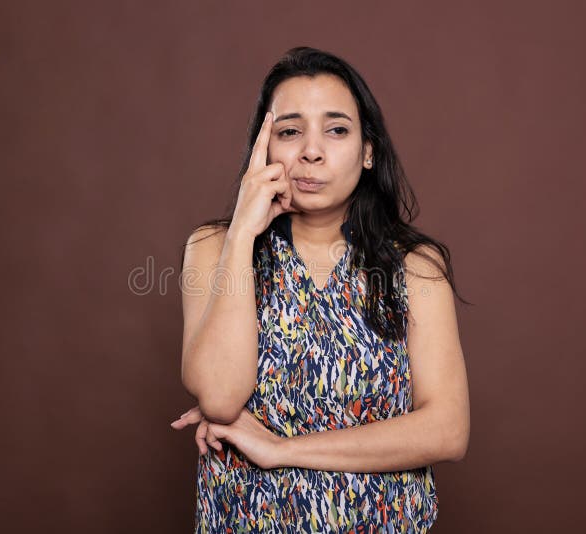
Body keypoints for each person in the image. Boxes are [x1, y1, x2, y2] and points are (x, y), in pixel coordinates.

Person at [170, 46, 471, 533]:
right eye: (290, 131)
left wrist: (283, 450)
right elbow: (222, 398)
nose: (312, 150)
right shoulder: (214, 248)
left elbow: (448, 429)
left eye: (336, 129)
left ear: (368, 150)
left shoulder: (415, 265)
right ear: (263, 149)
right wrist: (243, 233)